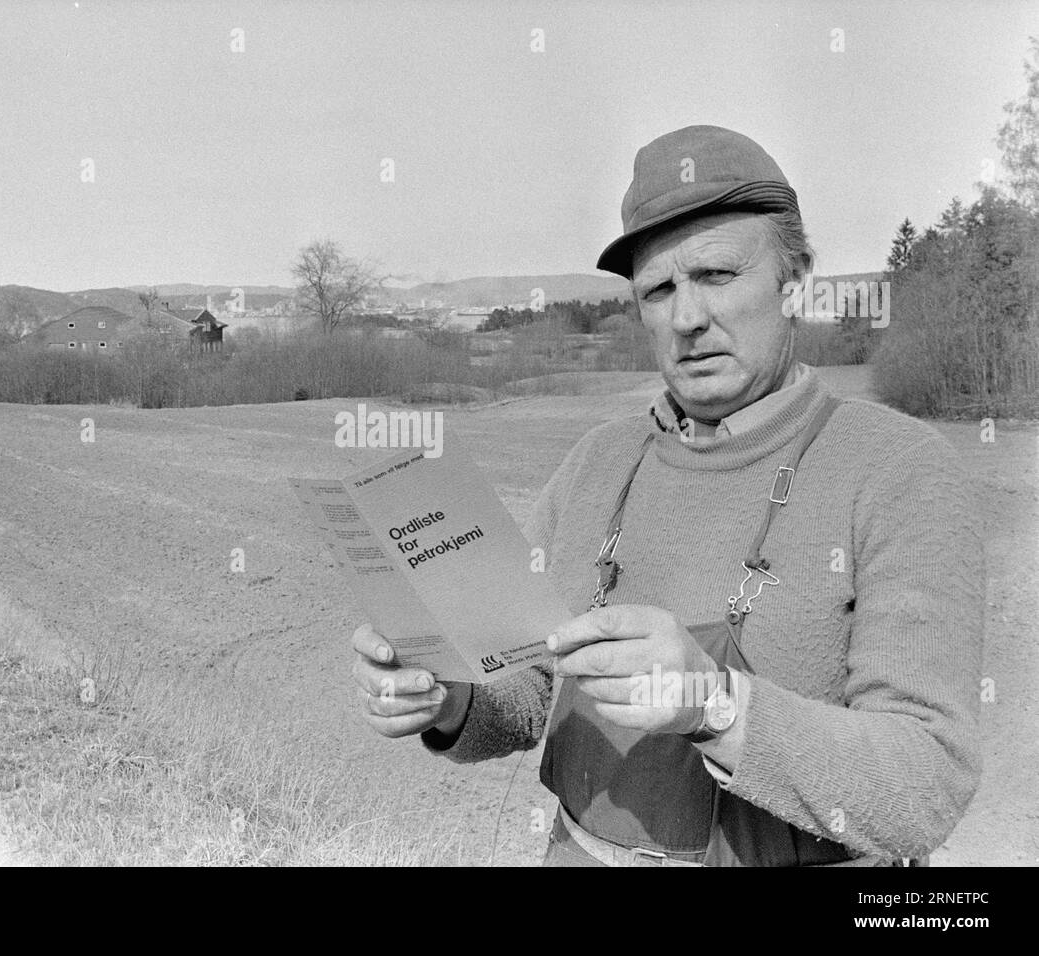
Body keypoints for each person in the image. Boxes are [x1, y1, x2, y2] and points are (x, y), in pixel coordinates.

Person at [349, 125, 983, 866]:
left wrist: (714, 705)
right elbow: (530, 689)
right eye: (659, 289)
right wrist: (450, 700)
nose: (686, 319)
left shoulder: (898, 470)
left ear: (794, 280)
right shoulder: (598, 463)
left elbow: (926, 781)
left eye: (716, 274)